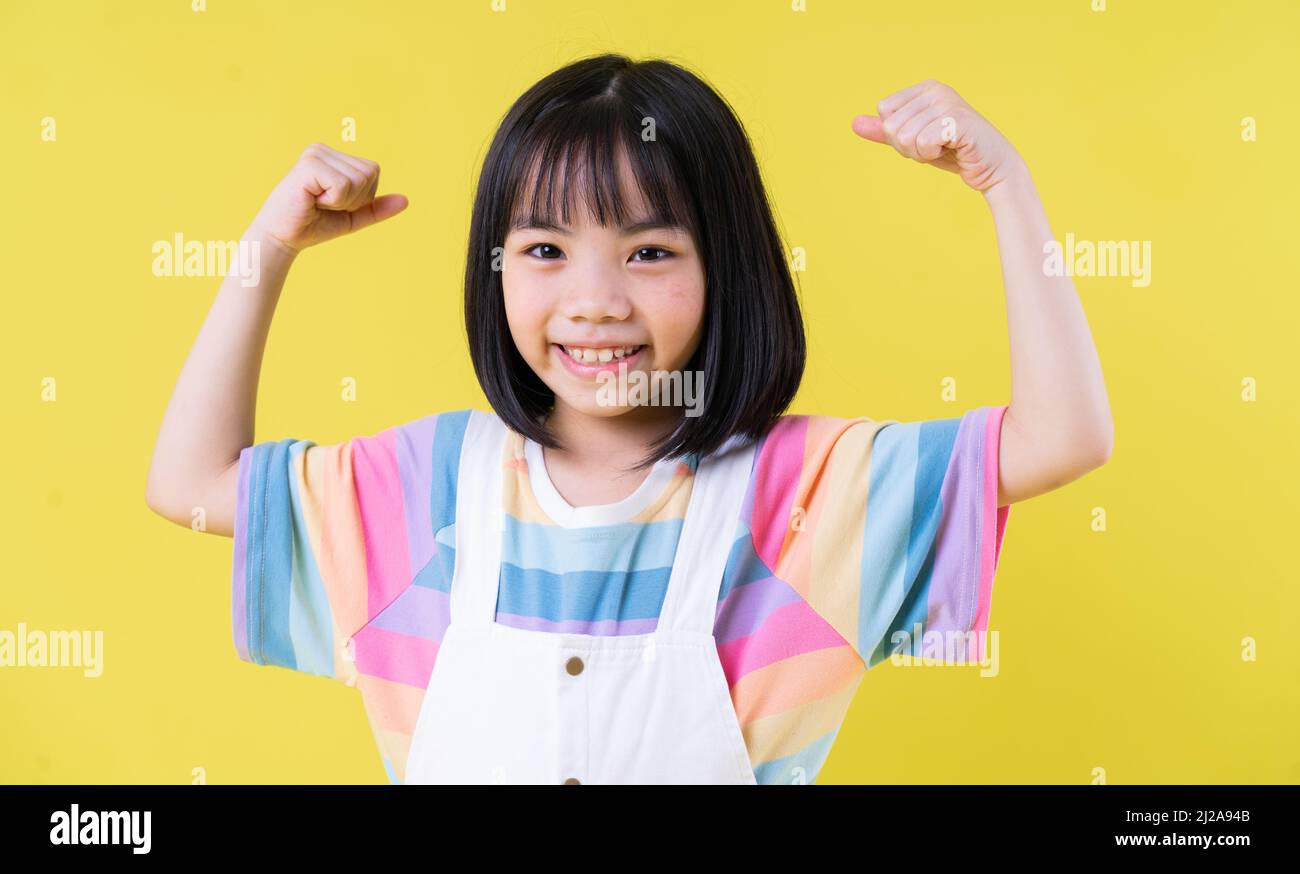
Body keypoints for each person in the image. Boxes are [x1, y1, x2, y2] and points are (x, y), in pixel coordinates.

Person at [145, 54, 1112, 785]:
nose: (596, 299)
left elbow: (1064, 437)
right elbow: (188, 487)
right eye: (545, 248)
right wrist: (270, 246)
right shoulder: (428, 487)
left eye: (649, 252)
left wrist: (1006, 185)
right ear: (495, 270)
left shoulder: (805, 496)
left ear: (725, 268)